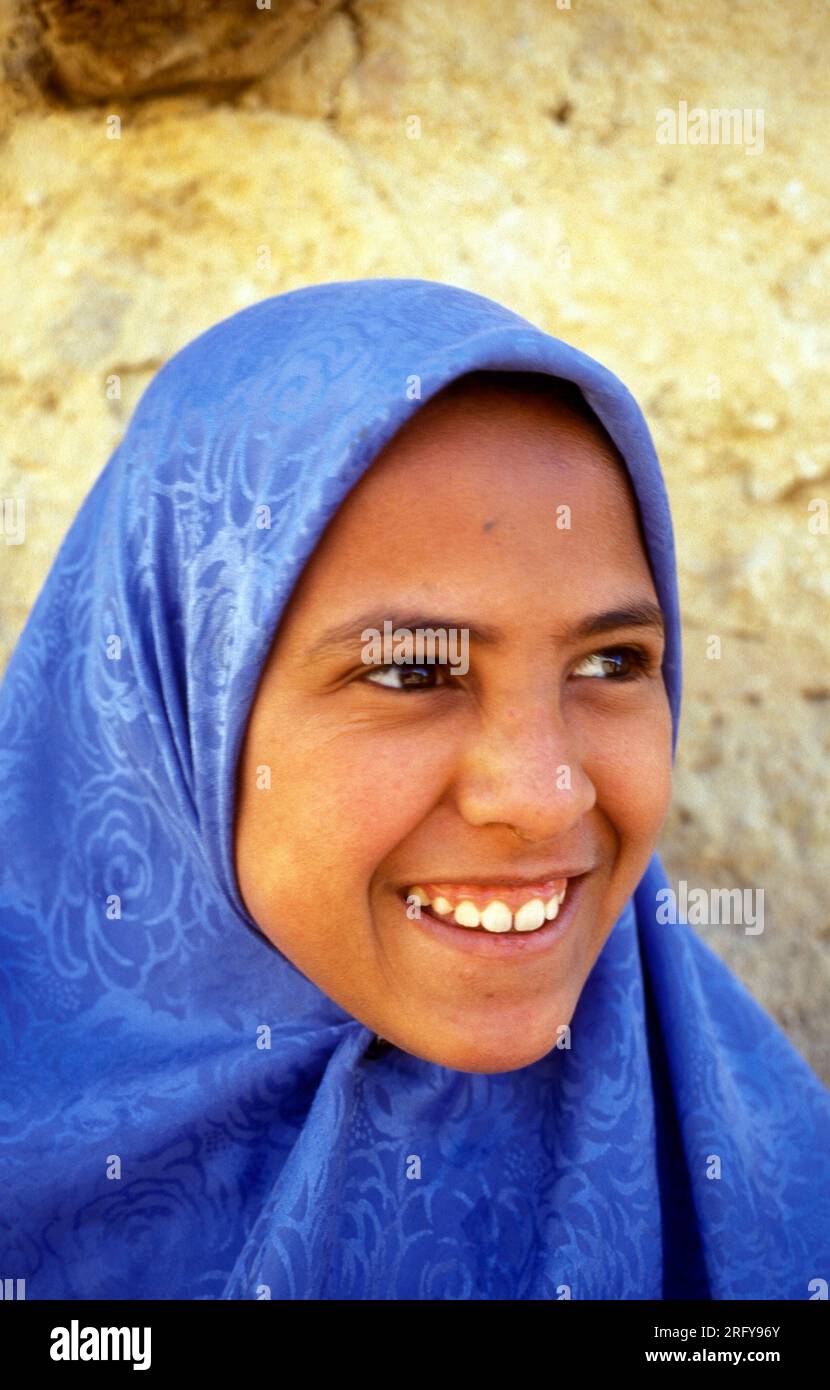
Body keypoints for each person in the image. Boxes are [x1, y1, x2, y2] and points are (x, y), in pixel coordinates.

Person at [0, 278, 827, 1300]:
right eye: (408, 673)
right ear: (167, 706)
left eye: (611, 663)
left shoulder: (757, 1190)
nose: (541, 795)